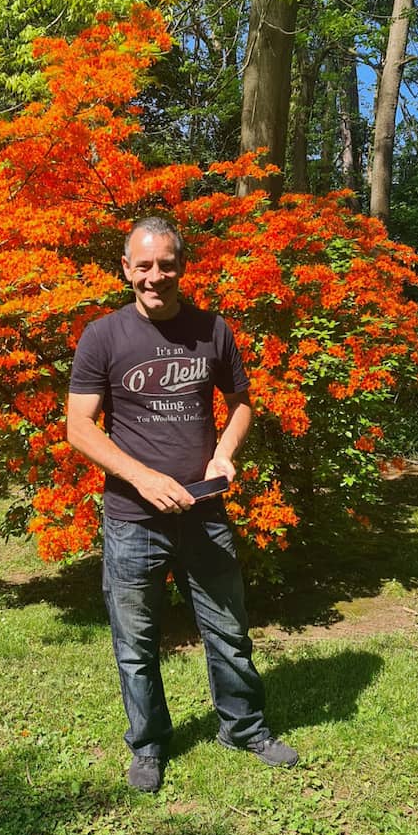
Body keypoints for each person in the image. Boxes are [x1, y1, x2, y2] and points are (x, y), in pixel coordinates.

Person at [67, 216, 298, 793]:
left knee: (229, 629)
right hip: (131, 519)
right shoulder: (103, 336)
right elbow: (79, 427)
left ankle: (243, 729)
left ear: (181, 267)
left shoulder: (212, 330)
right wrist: (142, 478)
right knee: (137, 643)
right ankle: (148, 745)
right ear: (126, 268)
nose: (155, 276)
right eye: (143, 265)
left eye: (165, 265)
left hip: (204, 512)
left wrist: (224, 454)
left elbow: (241, 401)